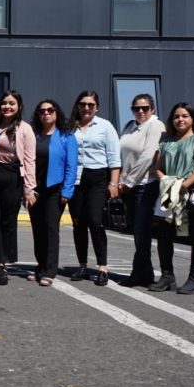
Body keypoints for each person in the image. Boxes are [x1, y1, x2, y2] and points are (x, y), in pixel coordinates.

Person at [150, 103, 194, 295]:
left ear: (192, 118)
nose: (180, 119)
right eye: (176, 116)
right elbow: (158, 168)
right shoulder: (166, 142)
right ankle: (167, 276)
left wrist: (185, 184)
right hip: (171, 190)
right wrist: (167, 181)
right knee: (164, 234)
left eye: (184, 116)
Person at [0, 90, 35, 286]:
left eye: (12, 103)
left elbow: (30, 160)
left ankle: (1, 264)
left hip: (12, 177)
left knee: (7, 221)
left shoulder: (24, 129)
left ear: (19, 107)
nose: (7, 107)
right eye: (4, 103)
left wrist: (29, 188)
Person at [67, 91, 121, 286]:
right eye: (83, 104)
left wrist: (113, 183)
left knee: (96, 222)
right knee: (78, 223)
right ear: (78, 106)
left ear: (97, 107)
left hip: (97, 177)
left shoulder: (105, 126)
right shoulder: (70, 126)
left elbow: (114, 157)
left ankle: (102, 267)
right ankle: (82, 265)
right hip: (75, 179)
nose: (86, 108)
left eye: (91, 105)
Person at [27, 99, 78, 287]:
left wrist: (67, 190)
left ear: (57, 113)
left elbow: (72, 166)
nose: (46, 113)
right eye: (42, 111)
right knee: (37, 229)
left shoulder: (67, 137)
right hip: (35, 189)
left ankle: (50, 270)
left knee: (50, 228)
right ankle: (40, 267)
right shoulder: (34, 135)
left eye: (50, 110)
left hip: (55, 189)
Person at [118, 94, 165, 288]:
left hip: (145, 185)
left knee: (141, 230)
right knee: (137, 231)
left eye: (145, 108)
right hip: (129, 186)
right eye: (136, 108)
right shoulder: (130, 126)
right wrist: (120, 181)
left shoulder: (155, 126)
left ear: (152, 109)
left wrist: (129, 181)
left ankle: (139, 272)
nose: (140, 111)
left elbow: (148, 156)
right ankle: (145, 271)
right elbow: (123, 155)